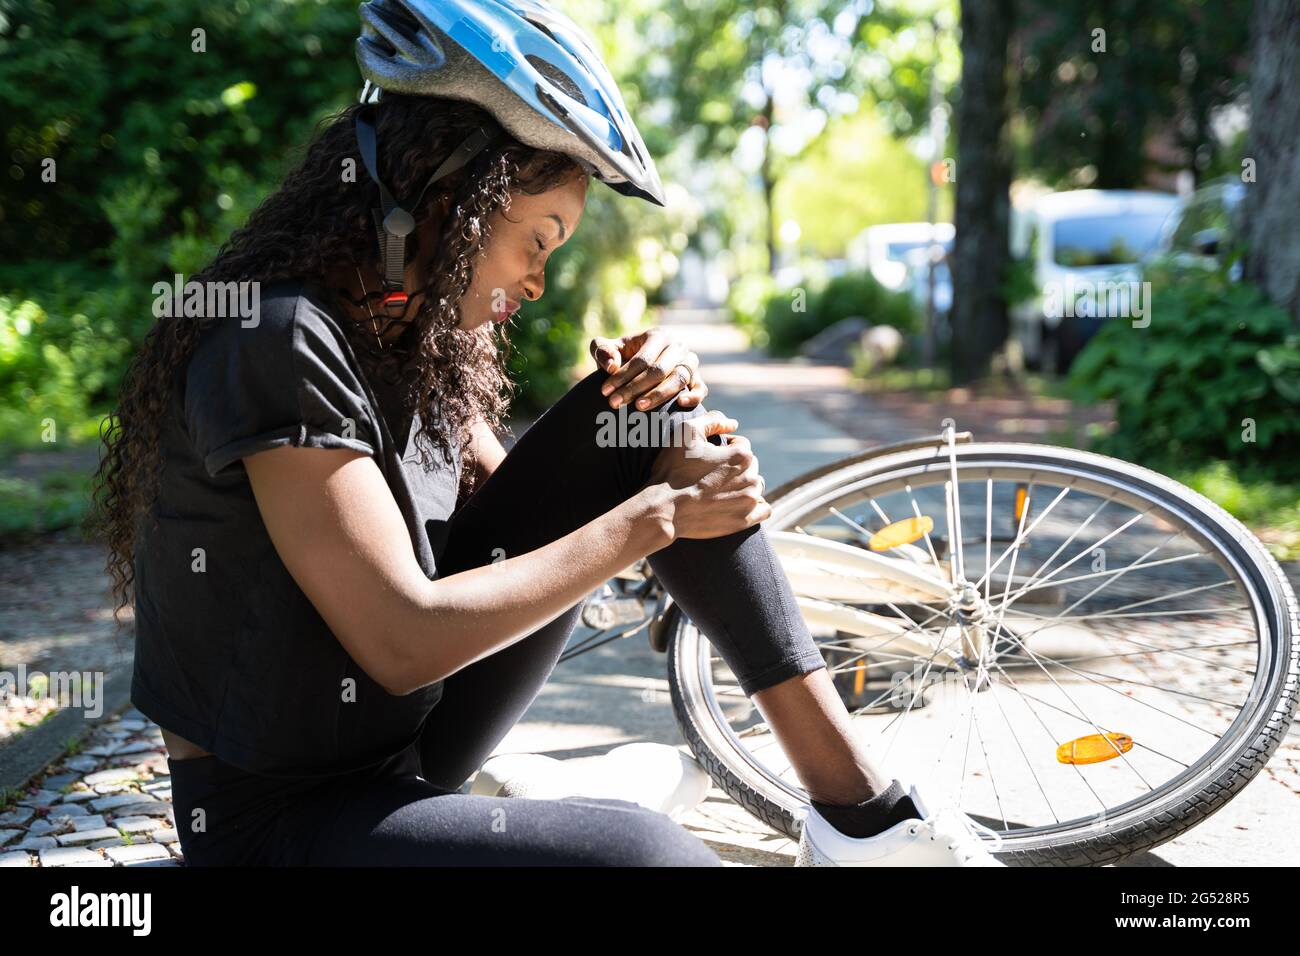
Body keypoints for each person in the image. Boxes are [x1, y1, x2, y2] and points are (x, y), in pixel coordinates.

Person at [92, 0, 1002, 867]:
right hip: (282, 825)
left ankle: (868, 820)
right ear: (448, 195)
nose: (535, 282)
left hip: (409, 744)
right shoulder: (275, 338)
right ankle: (523, 819)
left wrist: (659, 411)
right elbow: (403, 642)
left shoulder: (406, 337)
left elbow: (518, 505)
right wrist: (659, 517)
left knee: (635, 417)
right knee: (653, 859)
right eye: (537, 241)